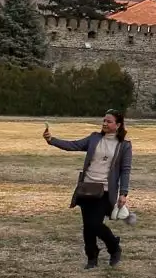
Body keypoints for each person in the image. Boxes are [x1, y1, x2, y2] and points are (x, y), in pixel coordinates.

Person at [43, 111, 133, 269]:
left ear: (118, 125)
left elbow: (125, 170)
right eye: (104, 120)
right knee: (88, 226)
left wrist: (123, 193)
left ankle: (114, 246)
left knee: (94, 224)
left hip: (105, 191)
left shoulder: (124, 146)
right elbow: (74, 145)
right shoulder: (94, 138)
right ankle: (92, 257)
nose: (105, 123)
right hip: (86, 188)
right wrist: (51, 140)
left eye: (109, 121)